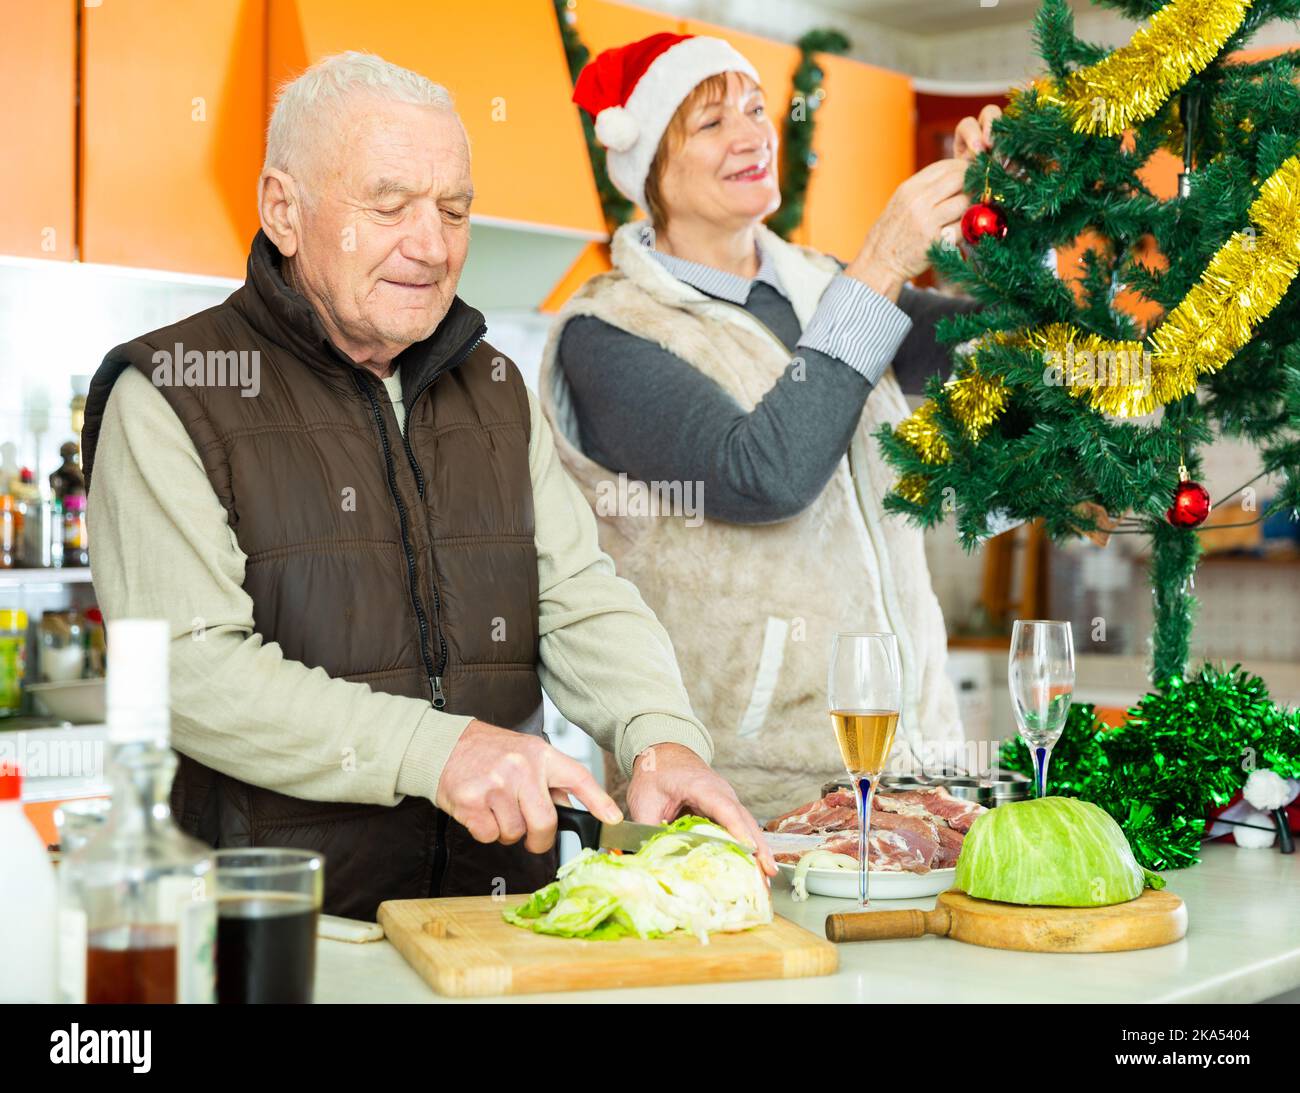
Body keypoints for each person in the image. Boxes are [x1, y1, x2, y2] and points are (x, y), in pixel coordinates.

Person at [83, 51, 775, 922]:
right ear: (283, 211)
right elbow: (189, 667)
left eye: (454, 210)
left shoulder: (493, 388)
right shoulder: (174, 391)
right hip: (282, 936)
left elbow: (576, 596)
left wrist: (658, 735)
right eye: (389, 206)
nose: (433, 244)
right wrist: (436, 751)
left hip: (497, 926)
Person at [539, 32, 1009, 818]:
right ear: (650, 163)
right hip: (746, 796)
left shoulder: (822, 288)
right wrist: (884, 260)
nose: (753, 134)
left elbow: (1002, 353)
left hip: (915, 769)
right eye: (712, 122)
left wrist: (1009, 218)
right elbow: (762, 475)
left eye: (758, 109)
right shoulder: (610, 332)